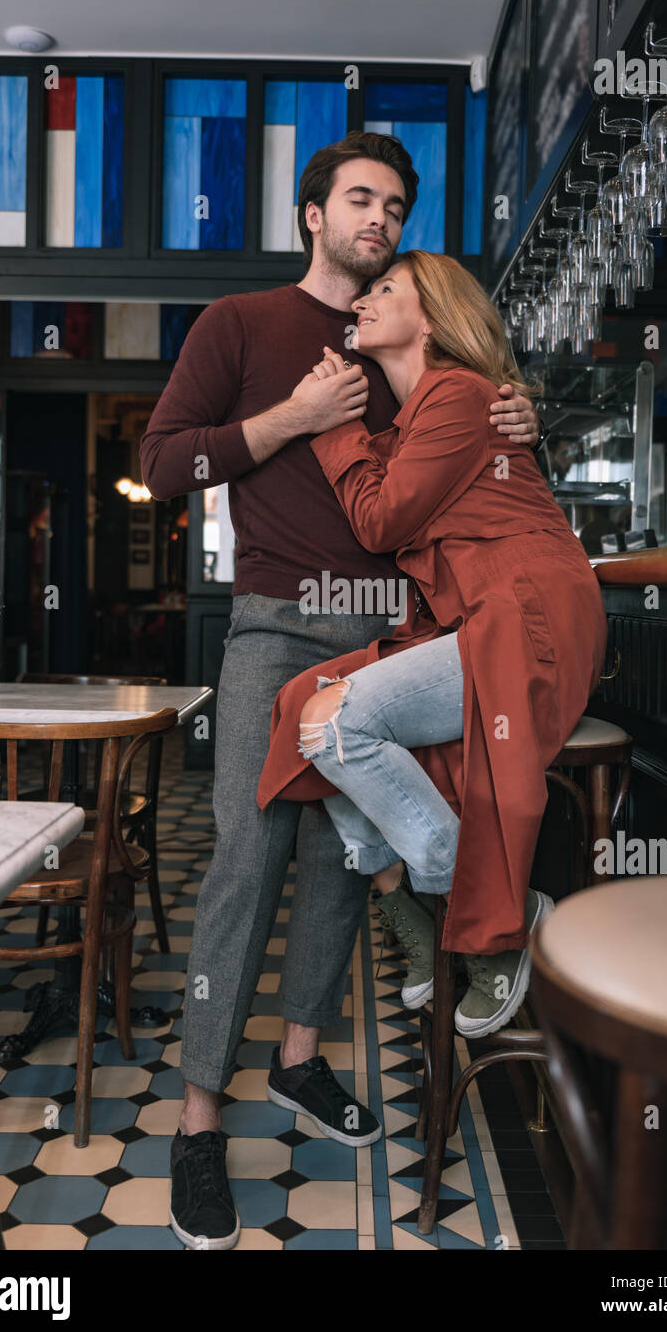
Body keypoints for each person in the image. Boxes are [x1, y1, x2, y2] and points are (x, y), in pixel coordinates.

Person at [140, 132, 541, 1250]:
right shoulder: (242, 324)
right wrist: (289, 423)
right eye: (360, 198)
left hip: (390, 635)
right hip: (273, 628)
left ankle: (302, 1058)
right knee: (247, 859)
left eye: (396, 205)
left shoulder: (406, 327)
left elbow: (476, 432)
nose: (381, 218)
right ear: (312, 212)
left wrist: (521, 420)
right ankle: (197, 1120)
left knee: (341, 860)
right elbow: (170, 462)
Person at [257, 251, 608, 1040]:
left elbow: (380, 524)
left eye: (385, 289)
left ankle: (491, 913)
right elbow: (389, 502)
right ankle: (414, 909)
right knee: (299, 710)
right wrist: (343, 428)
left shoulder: (456, 394)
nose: (367, 298)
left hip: (527, 615)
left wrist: (336, 427)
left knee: (335, 723)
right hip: (475, 617)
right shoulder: (425, 416)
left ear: (433, 315)